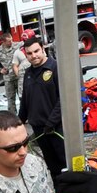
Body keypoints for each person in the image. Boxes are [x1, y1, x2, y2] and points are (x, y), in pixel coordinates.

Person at [18, 38, 66, 178]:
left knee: (65, 162)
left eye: (36, 51)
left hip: (56, 127)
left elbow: (63, 98)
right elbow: (25, 100)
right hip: (39, 129)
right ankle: (58, 189)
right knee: (52, 164)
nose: (34, 56)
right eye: (29, 53)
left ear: (43, 49)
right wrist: (18, 122)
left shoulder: (55, 68)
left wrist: (52, 122)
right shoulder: (28, 73)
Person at [0, 32, 21, 113]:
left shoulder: (17, 45)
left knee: (23, 97)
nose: (11, 42)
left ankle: (25, 115)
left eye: (11, 40)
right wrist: (0, 70)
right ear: (3, 42)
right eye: (9, 41)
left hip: (19, 76)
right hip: (8, 79)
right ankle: (13, 117)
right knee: (10, 99)